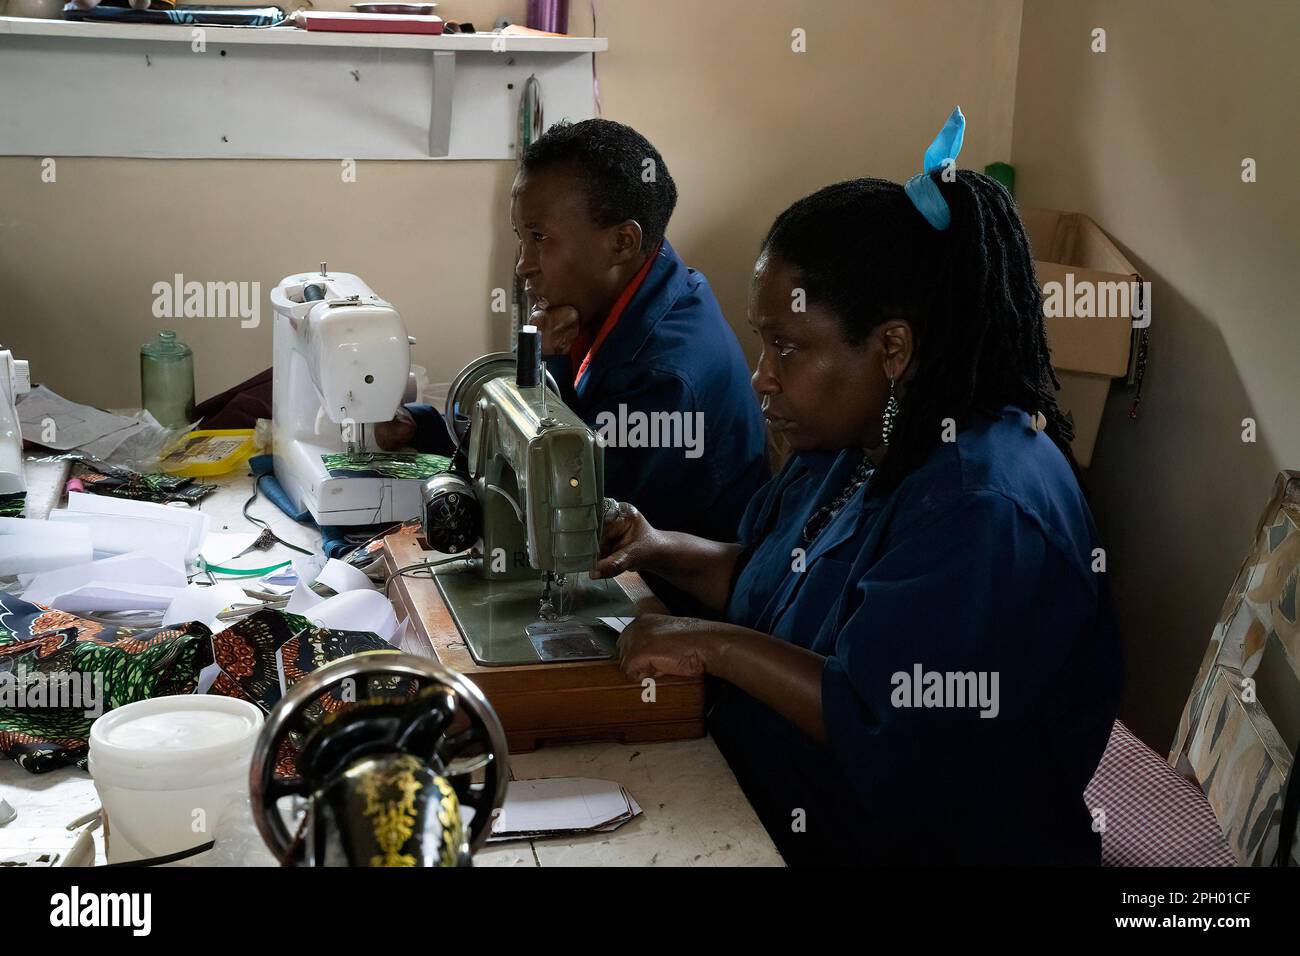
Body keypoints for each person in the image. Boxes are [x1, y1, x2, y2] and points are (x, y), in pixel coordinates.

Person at [589, 158, 1123, 865]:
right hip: (789, 796)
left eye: (787, 347)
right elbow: (770, 585)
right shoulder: (858, 437)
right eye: (762, 340)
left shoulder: (979, 505)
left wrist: (710, 644)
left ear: (892, 347)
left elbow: (882, 718)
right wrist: (658, 547)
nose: (761, 377)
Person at [378, 119, 769, 549]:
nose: (523, 265)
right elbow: (531, 439)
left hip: (665, 599)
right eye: (521, 237)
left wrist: (548, 358)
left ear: (622, 242)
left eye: (540, 237)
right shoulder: (635, 292)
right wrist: (425, 429)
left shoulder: (662, 378)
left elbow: (567, 514)